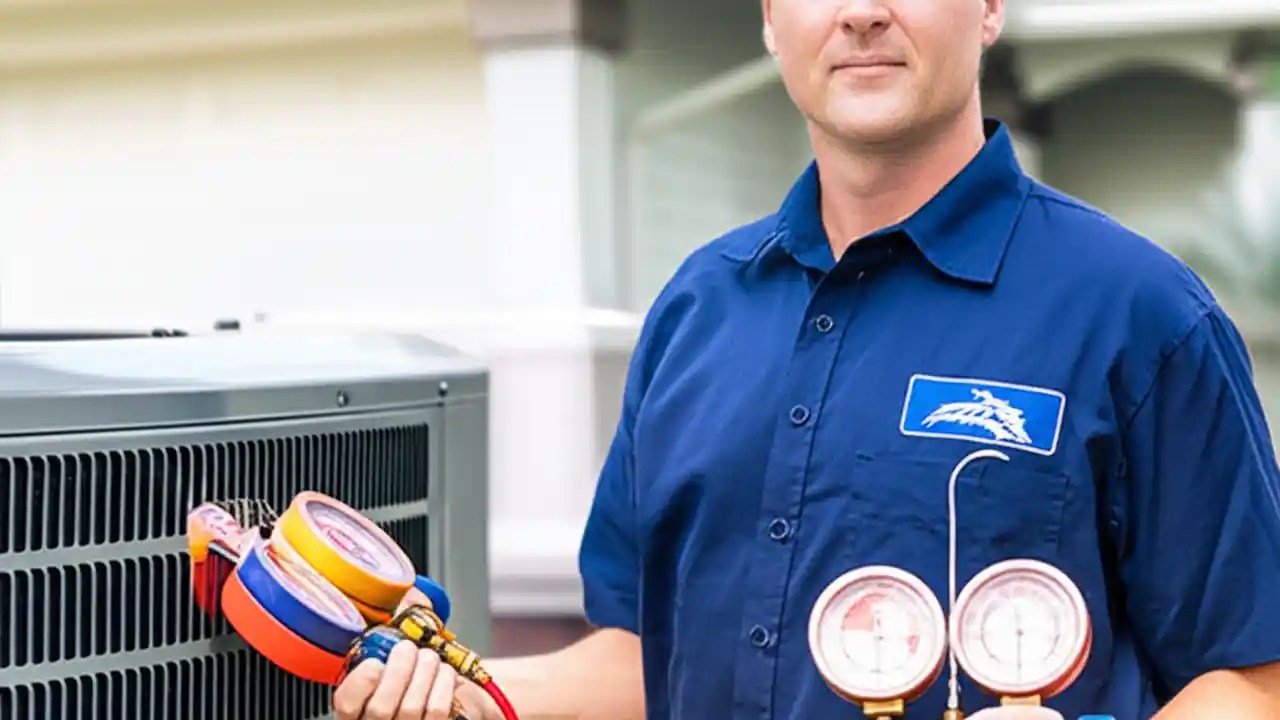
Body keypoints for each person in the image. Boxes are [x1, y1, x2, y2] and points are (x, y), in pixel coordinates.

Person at [334, 0, 1280, 718]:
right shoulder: (697, 313)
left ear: (992, 6)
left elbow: (1253, 674)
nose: (862, 12)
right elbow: (640, 654)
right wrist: (460, 690)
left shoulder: (1138, 313)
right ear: (769, 20)